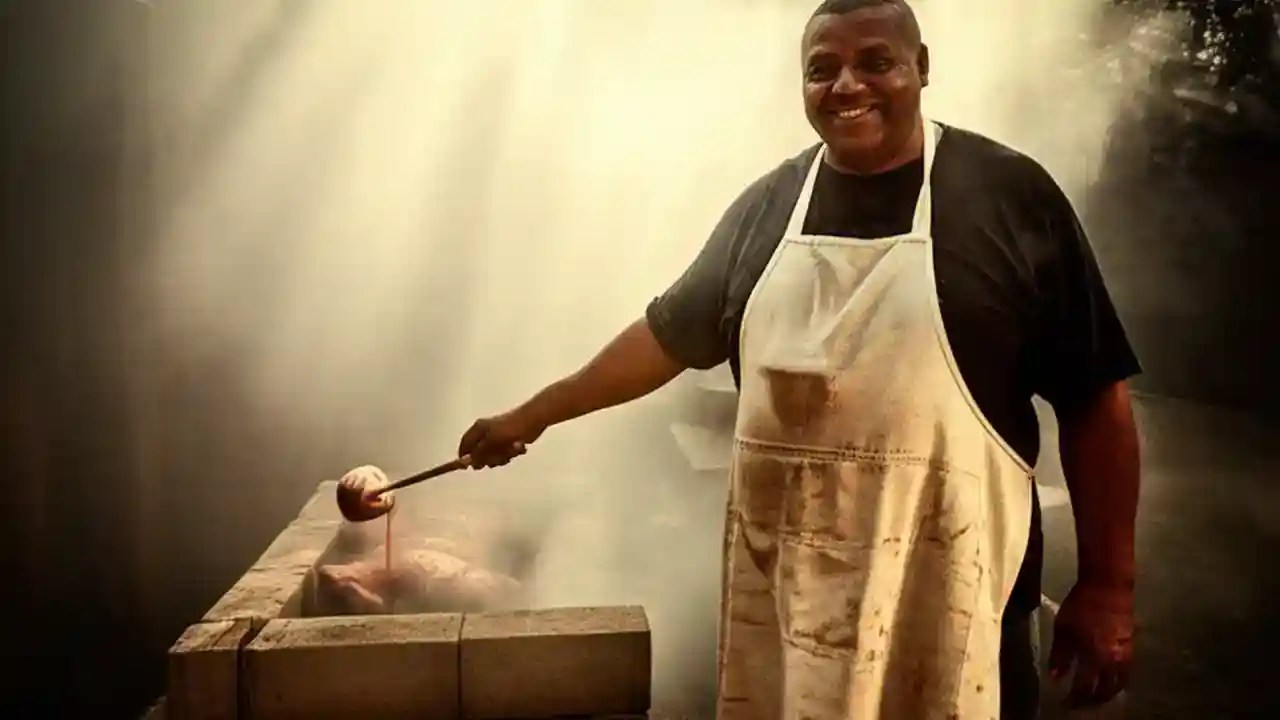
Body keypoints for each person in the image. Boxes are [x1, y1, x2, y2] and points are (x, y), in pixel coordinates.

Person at [455, 1, 1142, 717]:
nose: (847, 85)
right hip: (785, 618)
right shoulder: (769, 207)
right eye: (823, 69)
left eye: (875, 61)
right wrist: (529, 417)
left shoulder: (1009, 196)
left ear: (922, 67)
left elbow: (1097, 401)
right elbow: (664, 338)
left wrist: (1108, 588)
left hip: (961, 613)